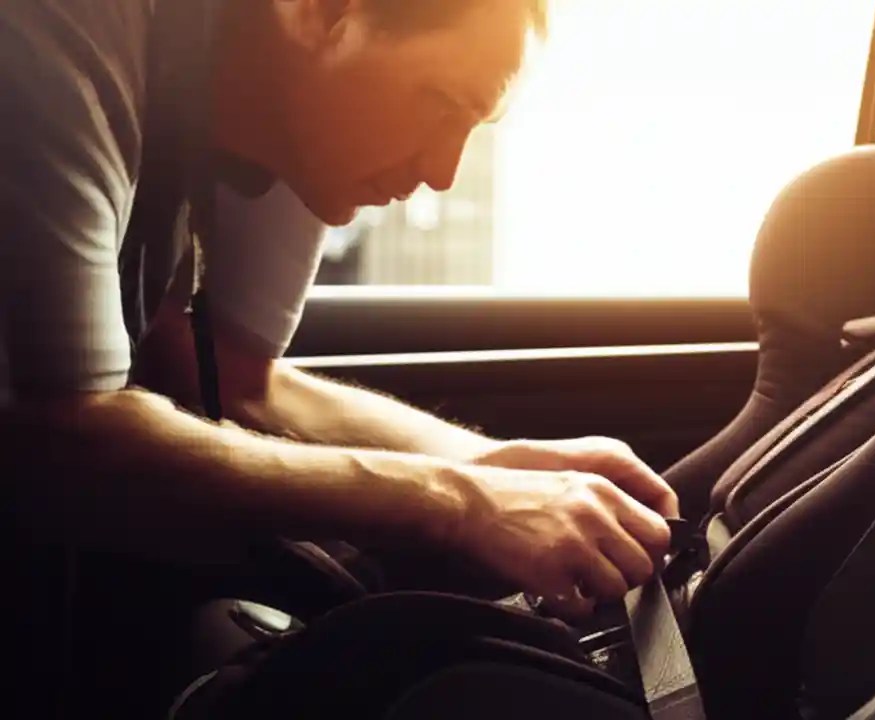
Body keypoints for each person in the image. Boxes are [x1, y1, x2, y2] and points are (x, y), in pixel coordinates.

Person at [0, 0, 677, 713]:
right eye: (440, 103)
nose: (443, 170)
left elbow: (224, 371)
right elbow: (61, 438)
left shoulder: (288, 112)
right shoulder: (58, 34)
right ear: (317, 12)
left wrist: (488, 466)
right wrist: (457, 503)